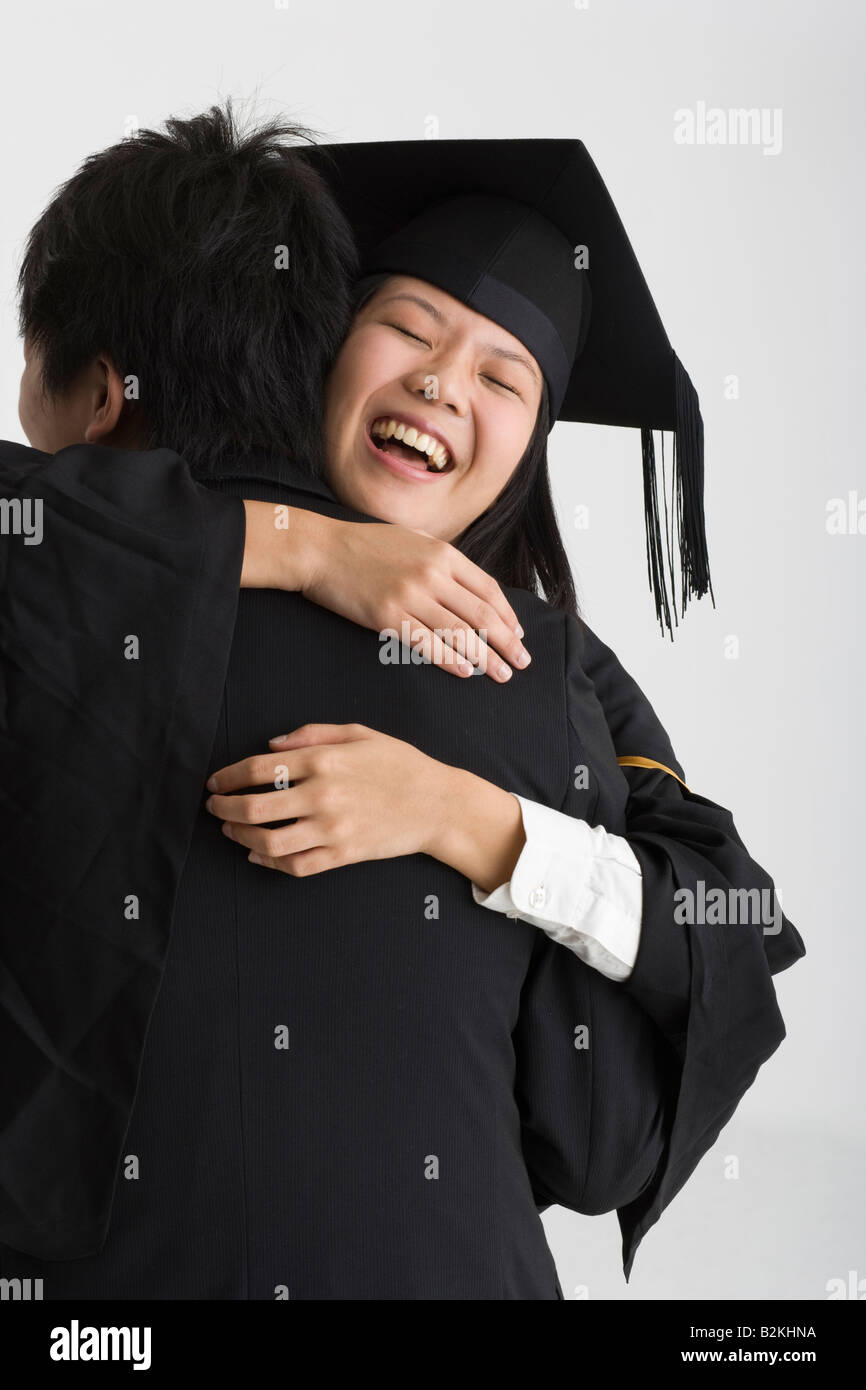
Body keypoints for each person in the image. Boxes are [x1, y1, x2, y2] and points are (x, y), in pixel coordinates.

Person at [0, 115, 803, 1296]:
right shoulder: (534, 679)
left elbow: (727, 923)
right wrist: (298, 545)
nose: (438, 382)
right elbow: (593, 1138)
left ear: (528, 443)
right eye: (406, 328)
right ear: (318, 347)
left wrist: (467, 820)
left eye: (501, 374)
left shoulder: (550, 665)